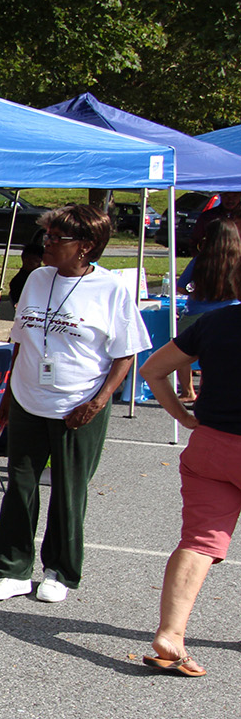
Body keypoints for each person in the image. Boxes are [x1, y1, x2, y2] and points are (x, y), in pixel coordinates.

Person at [0, 205, 149, 603]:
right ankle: (12, 570)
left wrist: (98, 402)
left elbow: (126, 353)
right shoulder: (37, 278)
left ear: (86, 246)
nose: (47, 244)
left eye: (58, 238)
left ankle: (59, 571)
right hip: (28, 398)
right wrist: (8, 393)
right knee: (20, 486)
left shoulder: (111, 289)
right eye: (48, 236)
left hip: (79, 404)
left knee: (69, 491)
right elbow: (21, 339)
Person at [136, 288, 241, 677]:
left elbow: (152, 370)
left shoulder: (215, 322)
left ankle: (170, 634)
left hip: (211, 445)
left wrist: (182, 415)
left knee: (198, 542)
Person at [176, 219, 241, 402]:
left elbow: (181, 287)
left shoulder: (200, 260)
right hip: (231, 312)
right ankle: (205, 391)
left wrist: (195, 291)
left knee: (181, 352)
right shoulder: (238, 260)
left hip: (197, 312)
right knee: (216, 355)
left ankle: (188, 391)